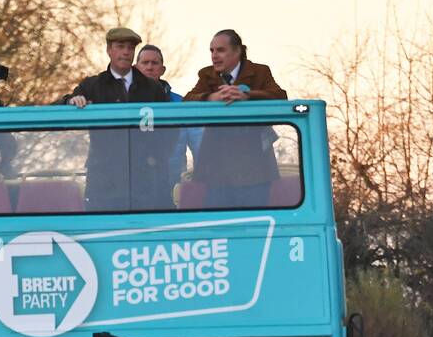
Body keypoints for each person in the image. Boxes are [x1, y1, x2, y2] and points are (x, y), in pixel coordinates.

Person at [57, 27, 172, 211]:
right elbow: (58, 109)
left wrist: (155, 159)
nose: (126, 52)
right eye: (120, 46)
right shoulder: (93, 85)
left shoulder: (152, 88)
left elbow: (168, 132)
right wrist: (70, 102)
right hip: (104, 184)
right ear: (109, 50)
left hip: (144, 183)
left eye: (130, 48)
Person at [183, 31, 288, 208]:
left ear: (237, 51)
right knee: (218, 227)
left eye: (221, 50)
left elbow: (280, 97)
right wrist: (211, 98)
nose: (214, 56)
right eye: (212, 51)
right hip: (216, 170)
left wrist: (247, 96)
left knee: (254, 226)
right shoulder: (207, 75)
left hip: (255, 169)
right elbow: (187, 101)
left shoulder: (260, 72)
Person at [135, 44, 201, 189]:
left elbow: (199, 145)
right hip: (134, 185)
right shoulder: (127, 102)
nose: (150, 67)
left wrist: (201, 180)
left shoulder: (180, 104)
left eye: (154, 63)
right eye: (145, 63)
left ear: (162, 70)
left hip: (171, 184)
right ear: (135, 68)